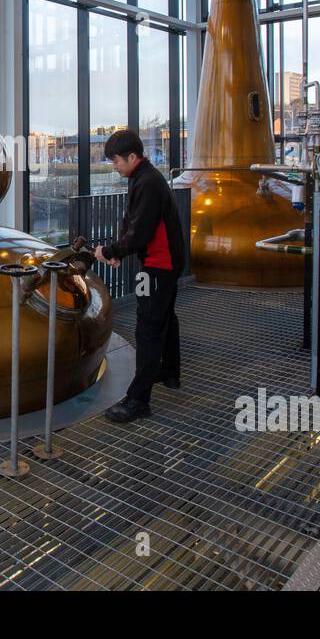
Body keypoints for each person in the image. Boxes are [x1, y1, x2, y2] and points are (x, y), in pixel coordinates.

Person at [94, 129, 186, 423]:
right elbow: (132, 223)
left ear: (132, 157)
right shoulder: (144, 178)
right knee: (165, 318)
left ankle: (138, 400)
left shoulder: (146, 182)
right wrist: (119, 251)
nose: (114, 166)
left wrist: (111, 251)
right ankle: (169, 372)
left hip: (158, 265)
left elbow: (140, 231)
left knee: (147, 327)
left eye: (116, 161)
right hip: (166, 263)